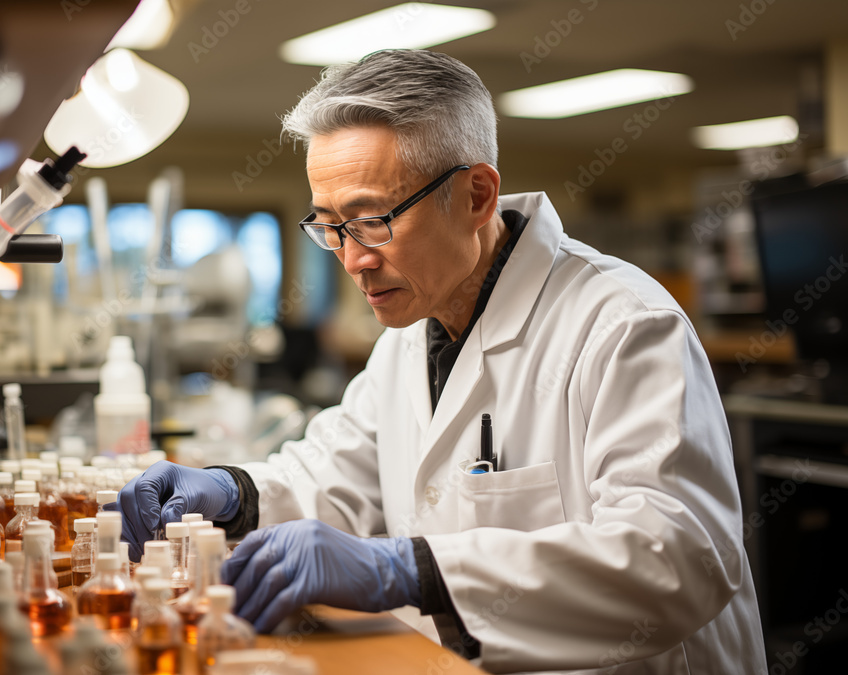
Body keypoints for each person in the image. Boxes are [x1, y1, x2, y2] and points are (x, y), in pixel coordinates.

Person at [114, 49, 767, 673]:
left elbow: (677, 558)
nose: (352, 258)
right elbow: (339, 471)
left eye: (373, 219)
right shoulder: (411, 332)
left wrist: (407, 570)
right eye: (330, 226)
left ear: (477, 196)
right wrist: (232, 493)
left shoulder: (622, 324)